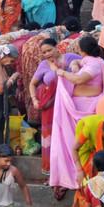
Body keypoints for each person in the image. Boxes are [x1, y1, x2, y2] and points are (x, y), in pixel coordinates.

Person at [49, 36, 104, 192]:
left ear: (81, 49)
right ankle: (74, 176)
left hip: (86, 108)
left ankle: (82, 177)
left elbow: (78, 80)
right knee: (72, 141)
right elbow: (79, 63)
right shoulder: (92, 61)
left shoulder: (94, 64)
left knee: (79, 144)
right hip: (79, 107)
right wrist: (75, 63)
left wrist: (61, 72)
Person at [29, 38, 82, 173]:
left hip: (70, 104)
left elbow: (86, 67)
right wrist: (34, 99)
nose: (47, 54)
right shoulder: (43, 65)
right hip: (51, 107)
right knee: (52, 137)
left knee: (69, 135)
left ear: (57, 47)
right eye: (44, 52)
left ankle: (73, 169)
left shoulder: (70, 58)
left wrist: (72, 66)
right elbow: (32, 84)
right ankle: (55, 172)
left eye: (49, 50)